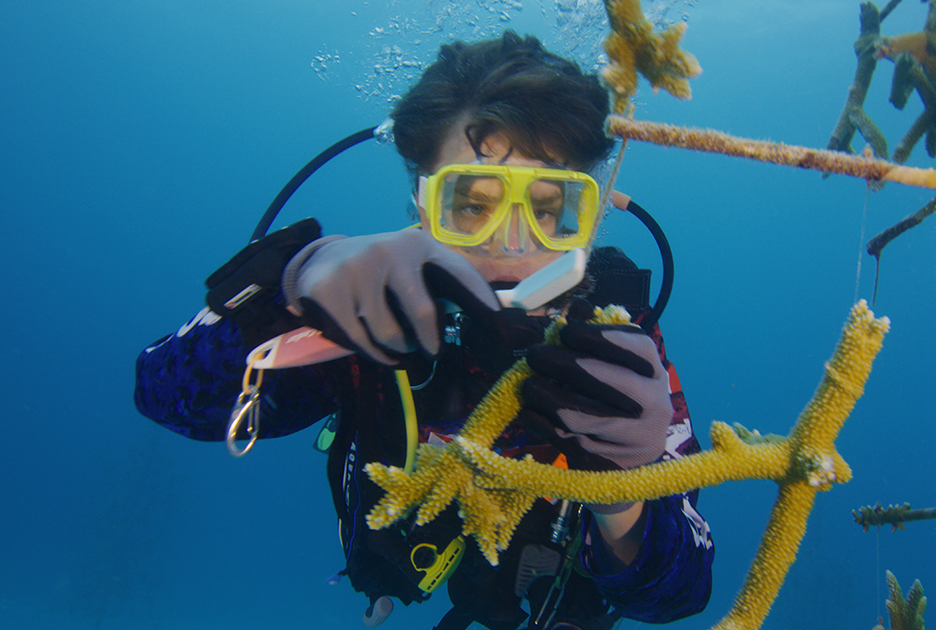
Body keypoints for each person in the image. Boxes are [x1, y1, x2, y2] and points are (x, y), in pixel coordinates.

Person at [135, 31, 713, 630]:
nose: (511, 243)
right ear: (421, 207)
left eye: (547, 209)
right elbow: (167, 398)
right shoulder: (368, 316)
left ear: (588, 218)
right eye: (471, 205)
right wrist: (290, 282)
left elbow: (679, 595)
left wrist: (626, 497)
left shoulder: (618, 338)